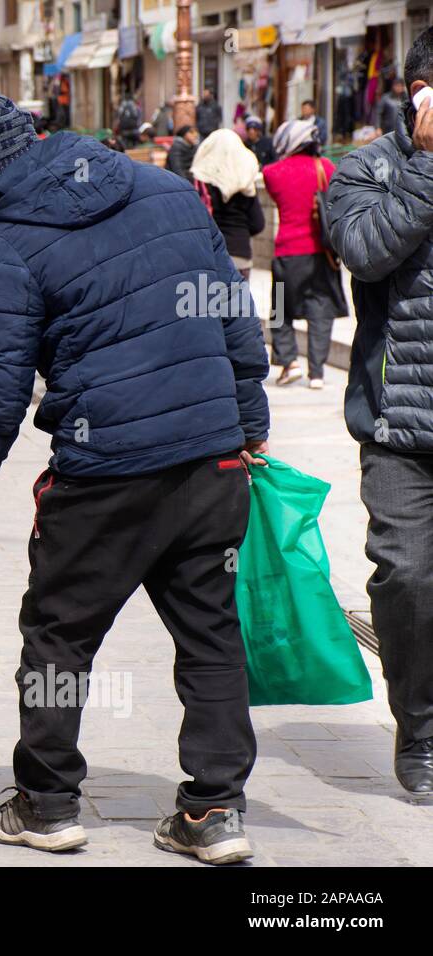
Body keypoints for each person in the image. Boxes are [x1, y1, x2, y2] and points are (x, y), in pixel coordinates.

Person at [0, 90, 270, 864]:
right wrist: (249, 425)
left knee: (58, 635)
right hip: (211, 462)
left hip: (105, 472)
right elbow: (236, 317)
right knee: (210, 635)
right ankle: (214, 812)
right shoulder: (168, 191)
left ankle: (46, 804)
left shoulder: (10, 246)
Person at [325, 26, 433, 794]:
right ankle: (420, 730)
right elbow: (364, 253)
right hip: (401, 424)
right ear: (417, 91)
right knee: (406, 579)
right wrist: (427, 166)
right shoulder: (367, 168)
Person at [262, 118, 347, 388]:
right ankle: (317, 373)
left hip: (287, 251)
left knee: (279, 308)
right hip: (321, 251)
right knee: (320, 309)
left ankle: (289, 362)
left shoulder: (272, 172)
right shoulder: (326, 168)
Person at [191, 128, 266, 279]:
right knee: (238, 303)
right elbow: (258, 224)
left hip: (209, 258)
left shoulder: (202, 184)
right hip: (240, 257)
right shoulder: (245, 185)